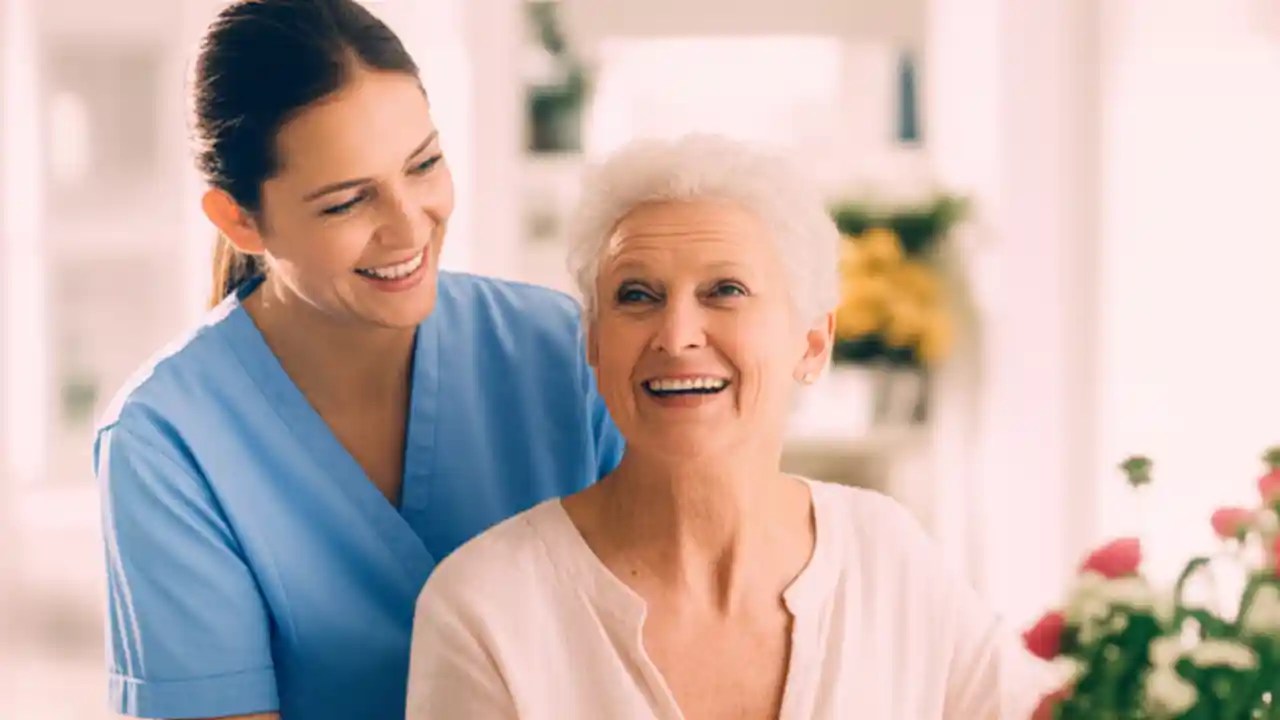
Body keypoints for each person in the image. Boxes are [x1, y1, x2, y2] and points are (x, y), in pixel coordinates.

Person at [94, 1, 622, 718]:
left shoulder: (559, 352)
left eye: (425, 165)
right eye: (347, 203)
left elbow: (688, 629)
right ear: (240, 220)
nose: (409, 227)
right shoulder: (167, 440)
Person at [406, 135, 1053, 719]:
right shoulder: (487, 606)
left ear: (812, 343)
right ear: (595, 344)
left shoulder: (884, 556)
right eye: (637, 296)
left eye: (726, 291)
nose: (678, 335)